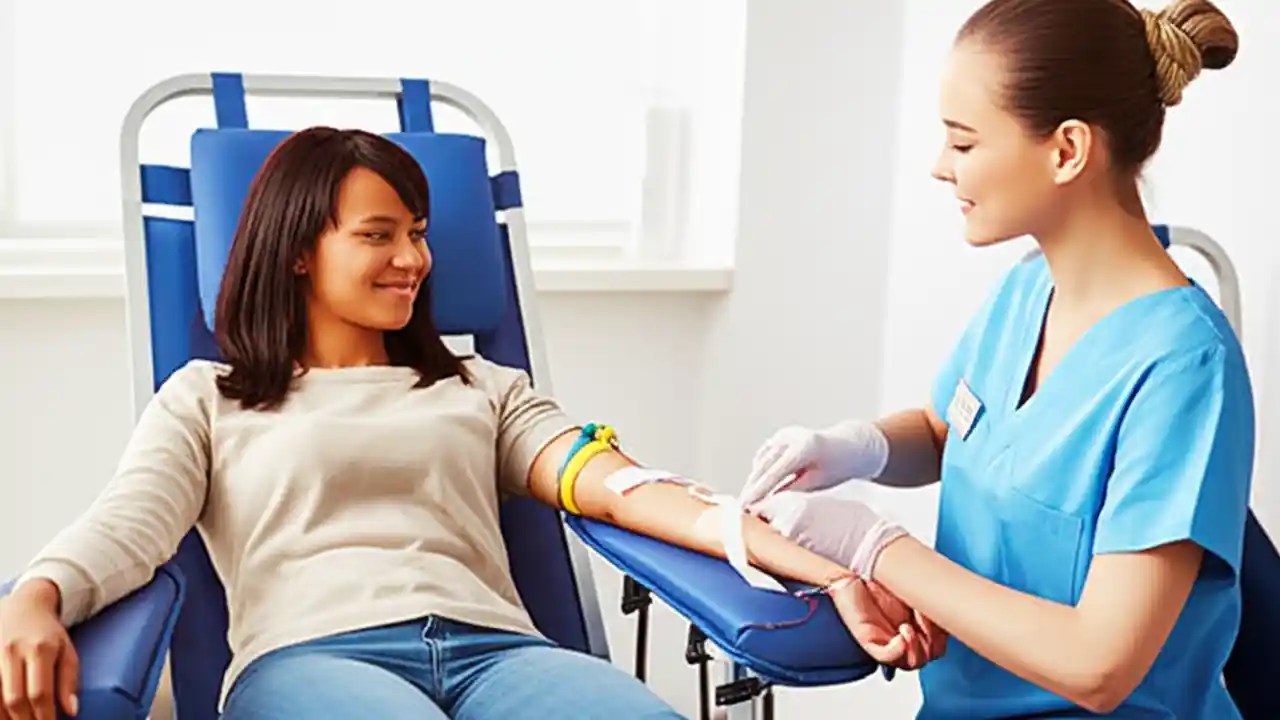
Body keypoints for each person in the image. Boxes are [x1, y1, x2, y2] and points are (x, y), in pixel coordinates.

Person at [0, 127, 942, 720]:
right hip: (311, 660)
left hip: (502, 655)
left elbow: (632, 492)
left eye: (416, 230)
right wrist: (35, 596)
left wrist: (831, 568)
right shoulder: (212, 395)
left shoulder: (482, 387)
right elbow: (129, 528)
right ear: (296, 251)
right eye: (378, 235)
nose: (414, 256)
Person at [742, 0, 1253, 718]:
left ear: (1067, 149)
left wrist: (875, 546)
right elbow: (950, 428)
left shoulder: (1182, 369)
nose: (939, 168)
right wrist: (858, 447)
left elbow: (1098, 665)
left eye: (963, 142)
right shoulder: (1028, 290)